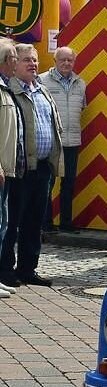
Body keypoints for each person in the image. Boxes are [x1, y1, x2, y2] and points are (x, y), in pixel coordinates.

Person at [1, 44, 63, 287]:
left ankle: (28, 268)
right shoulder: (10, 91)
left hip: (44, 167)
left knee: (35, 221)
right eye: (26, 59)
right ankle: (5, 269)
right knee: (12, 221)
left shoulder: (43, 91)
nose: (33, 64)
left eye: (35, 60)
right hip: (20, 167)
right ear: (14, 64)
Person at [39, 47, 87, 233]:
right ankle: (47, 224)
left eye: (70, 60)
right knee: (48, 184)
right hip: (51, 141)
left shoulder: (80, 84)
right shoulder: (42, 81)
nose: (66, 64)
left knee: (69, 184)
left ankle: (66, 223)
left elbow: (81, 109)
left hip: (72, 140)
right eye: (63, 60)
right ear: (55, 61)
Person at [0, 40, 20, 297]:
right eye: (14, 56)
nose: (17, 60)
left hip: (8, 169)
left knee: (3, 225)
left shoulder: (6, 87)